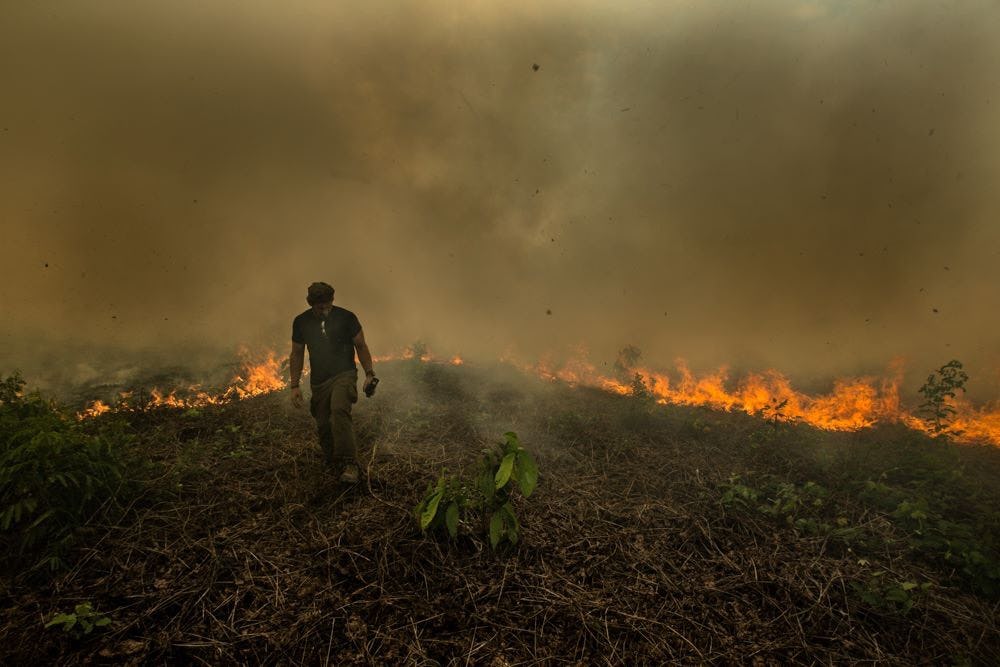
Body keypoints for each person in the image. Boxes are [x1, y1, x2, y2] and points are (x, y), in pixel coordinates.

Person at [289, 282, 377, 483]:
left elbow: (361, 346)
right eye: (320, 307)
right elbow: (296, 353)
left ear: (332, 300)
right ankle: (332, 461)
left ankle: (350, 464)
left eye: (328, 305)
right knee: (323, 423)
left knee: (339, 410)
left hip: (344, 374)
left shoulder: (347, 317)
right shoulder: (301, 322)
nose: (325, 310)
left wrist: (369, 374)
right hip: (319, 381)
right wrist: (294, 385)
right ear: (311, 303)